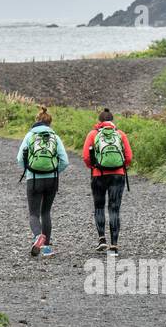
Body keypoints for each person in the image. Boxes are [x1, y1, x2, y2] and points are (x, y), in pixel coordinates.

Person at [16, 107, 69, 257]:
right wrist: (54, 171)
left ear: (36, 121)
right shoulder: (55, 137)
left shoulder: (29, 136)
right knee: (45, 212)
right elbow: (65, 161)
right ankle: (46, 249)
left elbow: (20, 159)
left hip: (33, 179)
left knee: (34, 213)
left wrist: (30, 172)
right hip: (52, 179)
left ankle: (38, 236)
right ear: (50, 123)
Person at [81, 108, 133, 255]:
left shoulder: (93, 134)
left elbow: (86, 156)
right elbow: (129, 157)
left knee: (99, 206)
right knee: (114, 209)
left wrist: (94, 167)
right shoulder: (120, 134)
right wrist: (119, 167)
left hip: (98, 174)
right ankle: (114, 245)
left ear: (99, 122)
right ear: (112, 121)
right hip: (118, 175)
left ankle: (102, 239)